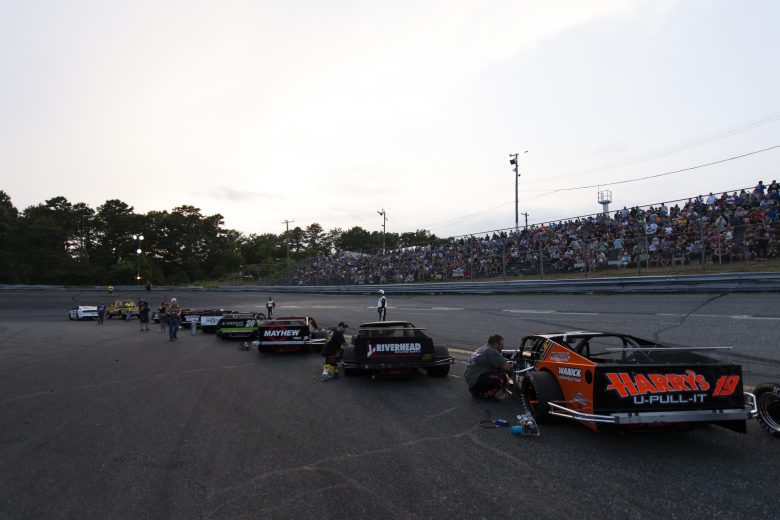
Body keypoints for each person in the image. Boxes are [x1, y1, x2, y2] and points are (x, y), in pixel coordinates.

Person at [464, 335, 514, 401]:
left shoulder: (484, 347)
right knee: (502, 378)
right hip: (476, 378)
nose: (503, 346)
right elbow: (508, 368)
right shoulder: (491, 351)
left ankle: (476, 389)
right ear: (496, 344)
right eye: (501, 344)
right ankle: (484, 395)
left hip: (470, 376)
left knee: (498, 371)